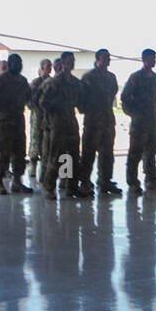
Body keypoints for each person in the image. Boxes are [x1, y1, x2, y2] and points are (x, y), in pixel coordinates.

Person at [0, 53, 32, 194]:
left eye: (20, 63)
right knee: (2, 154)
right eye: (16, 63)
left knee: (19, 153)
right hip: (3, 123)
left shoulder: (23, 81)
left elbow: (28, 98)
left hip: (18, 122)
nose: (19, 66)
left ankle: (17, 182)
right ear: (10, 64)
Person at [39, 52, 85, 200]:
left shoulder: (75, 82)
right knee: (55, 156)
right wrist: (56, 109)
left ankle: (70, 187)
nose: (72, 63)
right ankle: (49, 187)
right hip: (57, 123)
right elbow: (42, 102)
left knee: (71, 156)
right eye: (69, 61)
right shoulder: (54, 82)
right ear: (63, 63)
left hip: (71, 122)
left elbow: (80, 100)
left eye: (73, 60)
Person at [77, 48, 121, 196]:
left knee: (107, 154)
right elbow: (81, 99)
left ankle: (105, 182)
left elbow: (113, 95)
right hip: (93, 121)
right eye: (105, 57)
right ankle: (84, 182)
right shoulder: (89, 77)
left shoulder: (111, 77)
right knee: (88, 154)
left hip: (108, 120)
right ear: (98, 59)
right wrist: (88, 111)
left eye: (109, 57)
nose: (108, 59)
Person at [121, 48, 156, 194]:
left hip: (152, 119)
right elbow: (125, 98)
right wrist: (134, 114)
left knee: (151, 151)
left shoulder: (154, 77)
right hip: (140, 121)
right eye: (152, 58)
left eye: (155, 58)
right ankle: (133, 182)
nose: (154, 61)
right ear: (144, 59)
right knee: (135, 152)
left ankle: (151, 180)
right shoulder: (136, 77)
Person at [27, 58, 53, 179]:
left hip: (49, 116)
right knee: (35, 139)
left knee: (46, 141)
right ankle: (32, 165)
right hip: (38, 115)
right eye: (47, 66)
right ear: (42, 68)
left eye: (50, 66)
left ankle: (45, 165)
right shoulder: (36, 82)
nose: (49, 68)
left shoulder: (53, 82)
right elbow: (29, 100)